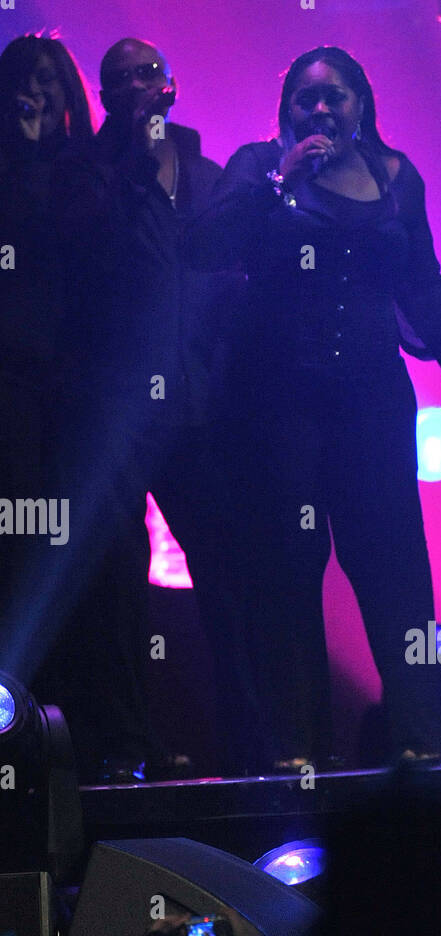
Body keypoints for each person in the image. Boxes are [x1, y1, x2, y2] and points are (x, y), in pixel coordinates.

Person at [187, 46, 441, 772]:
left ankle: (421, 743)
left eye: (336, 97)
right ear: (287, 110)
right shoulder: (257, 165)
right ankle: (295, 750)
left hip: (369, 398)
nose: (321, 110)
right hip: (276, 397)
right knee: (287, 567)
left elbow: (422, 281)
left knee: (392, 566)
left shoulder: (396, 176)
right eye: (306, 99)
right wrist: (278, 180)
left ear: (362, 104)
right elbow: (205, 246)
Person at [39, 38, 233, 781]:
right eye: (117, 80)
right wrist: (123, 153)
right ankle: (129, 747)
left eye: (147, 74)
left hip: (196, 404)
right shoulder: (85, 172)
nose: (134, 87)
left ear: (172, 84)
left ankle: (249, 740)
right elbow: (79, 245)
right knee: (119, 583)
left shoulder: (207, 175)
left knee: (225, 569)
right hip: (112, 405)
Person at [0, 35, 93, 702]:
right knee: (23, 530)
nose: (38, 90)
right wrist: (23, 150)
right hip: (17, 373)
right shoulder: (10, 168)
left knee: (84, 550)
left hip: (81, 379)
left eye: (49, 77)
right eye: (25, 79)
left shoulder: (88, 167)